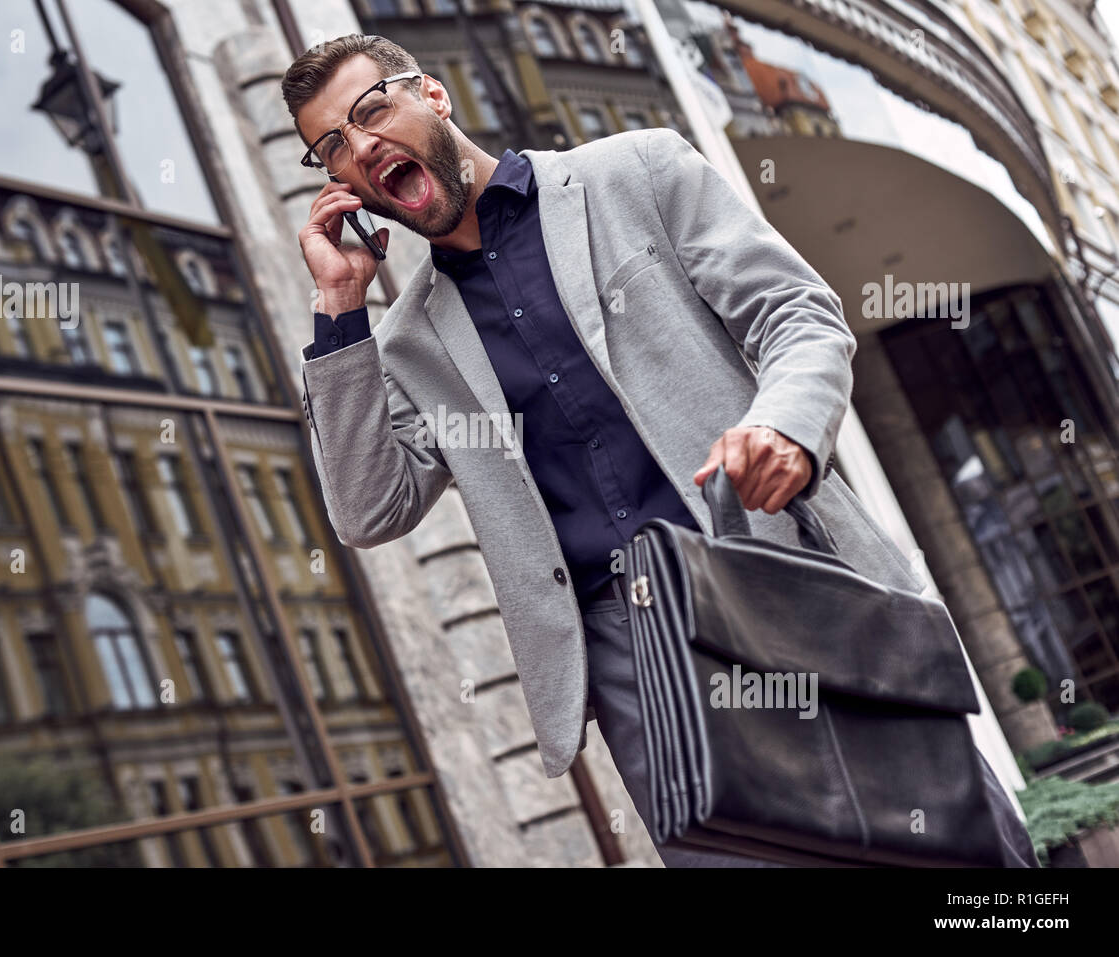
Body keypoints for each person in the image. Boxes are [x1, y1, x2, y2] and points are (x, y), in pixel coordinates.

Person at [282, 34, 1037, 867]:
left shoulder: (633, 173)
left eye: (370, 111)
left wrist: (786, 424)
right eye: (333, 147)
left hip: (789, 585)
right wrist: (340, 306)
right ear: (338, 185)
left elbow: (796, 314)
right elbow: (366, 508)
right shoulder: (405, 345)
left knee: (964, 861)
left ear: (431, 95)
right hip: (639, 669)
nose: (360, 147)